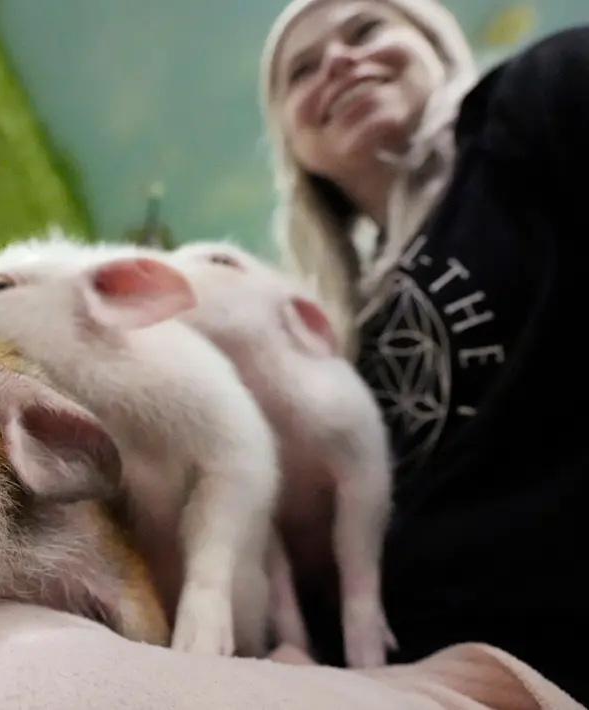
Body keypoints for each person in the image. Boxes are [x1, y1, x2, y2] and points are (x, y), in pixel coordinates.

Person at [258, 0, 589, 701]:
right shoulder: (329, 344)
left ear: (434, 47)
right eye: (303, 70)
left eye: (365, 29)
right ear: (295, 144)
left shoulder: (535, 99)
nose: (340, 61)